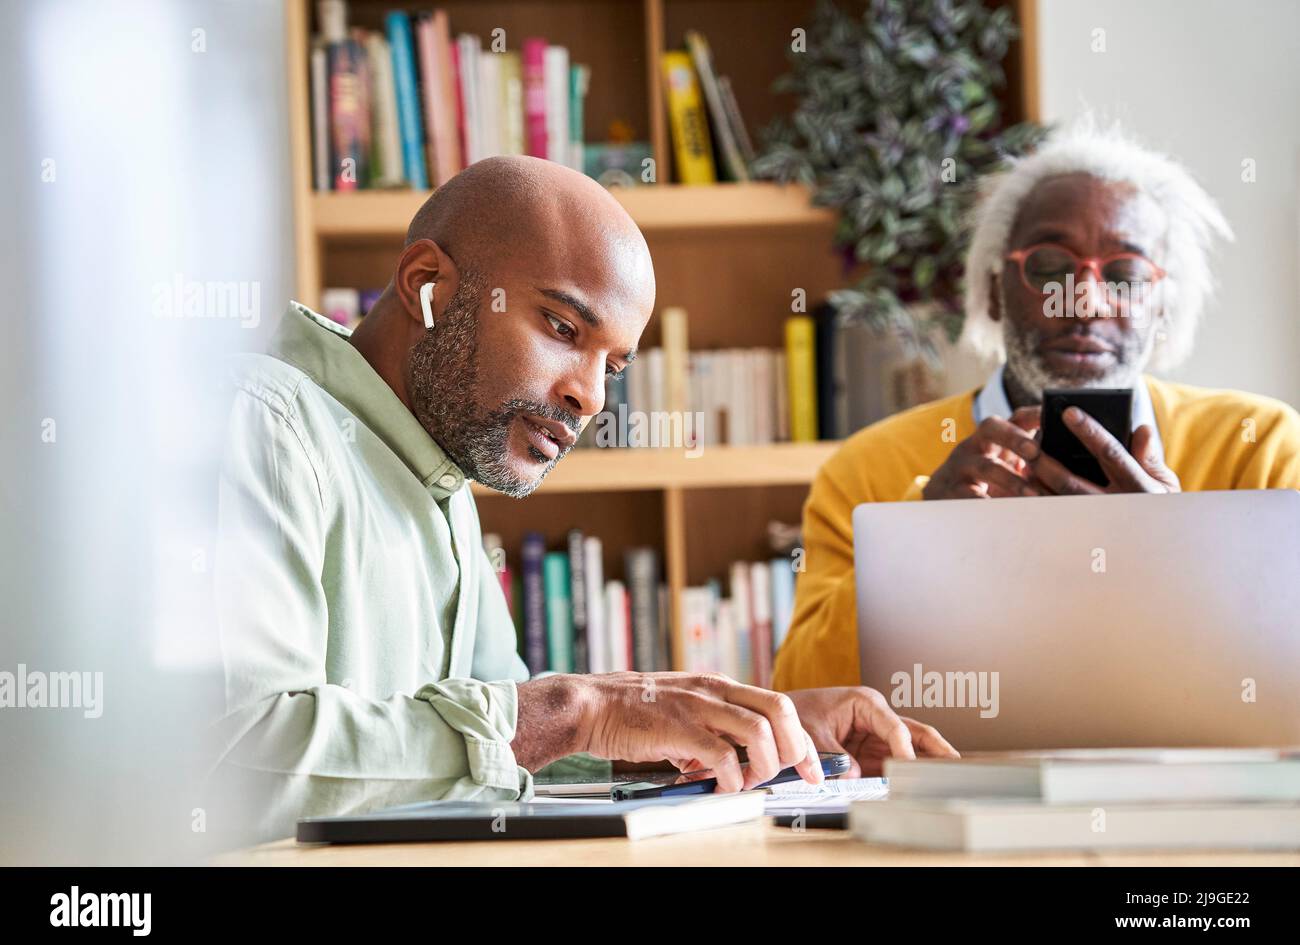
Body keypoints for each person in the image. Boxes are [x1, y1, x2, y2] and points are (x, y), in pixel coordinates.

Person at [212, 156, 955, 841]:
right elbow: (234, 764)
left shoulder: (433, 478)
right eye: (563, 328)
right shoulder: (260, 420)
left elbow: (492, 755)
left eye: (616, 367)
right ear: (425, 286)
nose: (589, 397)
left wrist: (740, 727)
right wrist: (581, 711)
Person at [773, 122, 1300, 692]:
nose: (1085, 301)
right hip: (954, 781)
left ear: (1163, 308)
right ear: (996, 290)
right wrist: (919, 546)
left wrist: (1176, 554)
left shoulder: (1262, 446)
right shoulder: (868, 470)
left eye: (1124, 275)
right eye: (1050, 268)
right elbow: (806, 694)